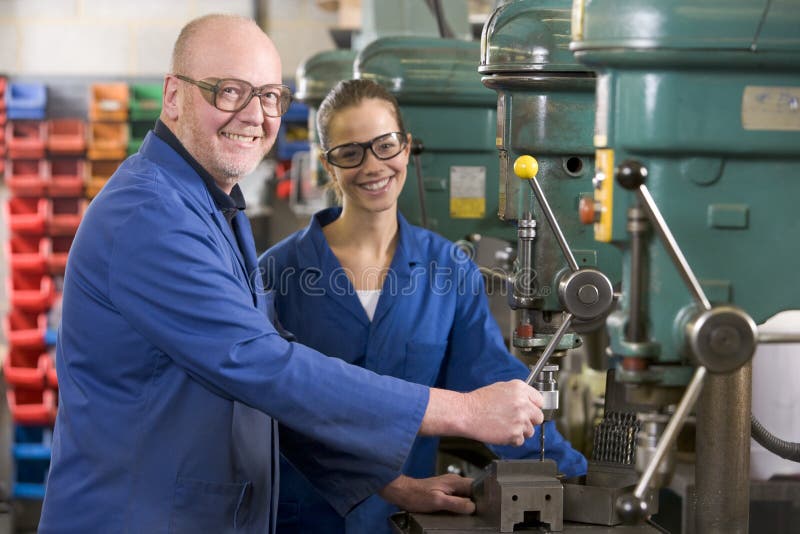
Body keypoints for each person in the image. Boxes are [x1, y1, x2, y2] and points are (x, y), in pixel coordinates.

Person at [38, 15, 547, 534]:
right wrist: (461, 412)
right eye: (229, 90)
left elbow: (267, 397)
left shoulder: (212, 208)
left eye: (269, 96)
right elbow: (263, 366)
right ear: (173, 96)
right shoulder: (149, 216)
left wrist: (385, 484)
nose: (254, 114)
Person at [258, 79, 588, 534]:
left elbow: (490, 384)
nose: (373, 166)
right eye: (350, 152)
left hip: (403, 521)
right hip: (302, 517)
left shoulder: (449, 268)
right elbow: (265, 406)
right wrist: (386, 482)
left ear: (407, 147)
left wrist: (574, 474)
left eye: (385, 145)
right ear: (326, 165)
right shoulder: (277, 272)